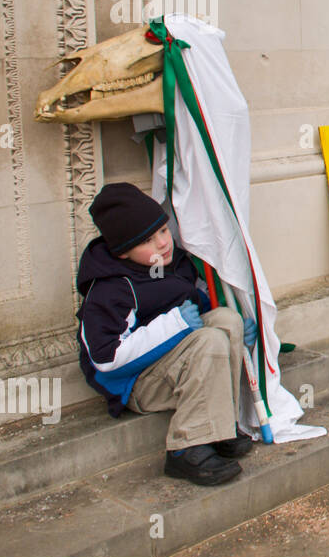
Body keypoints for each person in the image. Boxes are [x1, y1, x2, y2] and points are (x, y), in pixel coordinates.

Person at [75, 182, 256, 485]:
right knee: (208, 340)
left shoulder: (171, 264)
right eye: (147, 241)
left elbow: (201, 303)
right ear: (123, 253)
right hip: (137, 384)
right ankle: (187, 447)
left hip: (173, 365)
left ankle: (221, 424)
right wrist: (174, 324)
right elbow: (106, 358)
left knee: (226, 321)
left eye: (162, 230)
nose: (162, 243)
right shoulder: (111, 289)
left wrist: (236, 324)